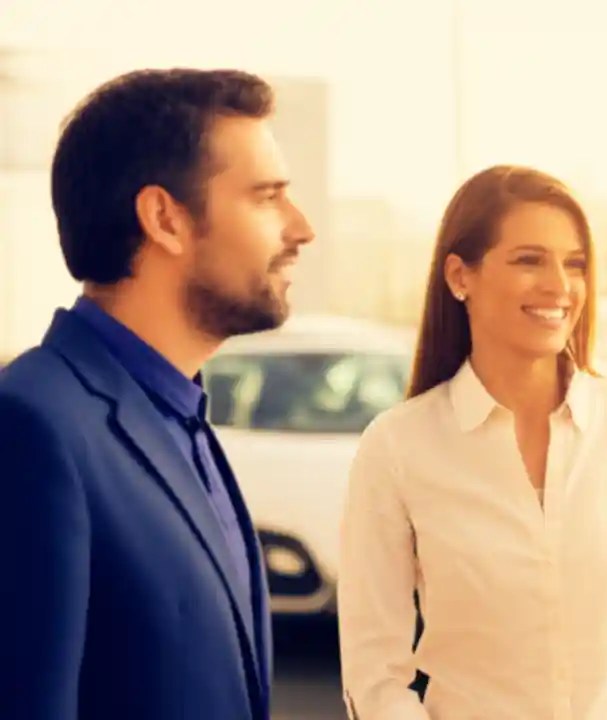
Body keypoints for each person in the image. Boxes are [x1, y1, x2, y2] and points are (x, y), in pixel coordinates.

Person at [337, 165, 607, 719]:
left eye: (575, 264)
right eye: (529, 260)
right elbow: (375, 675)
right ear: (460, 276)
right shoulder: (398, 446)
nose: (559, 286)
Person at [0, 68, 315, 719]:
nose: (301, 228)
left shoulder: (179, 414)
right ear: (165, 219)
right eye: (267, 197)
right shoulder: (33, 427)